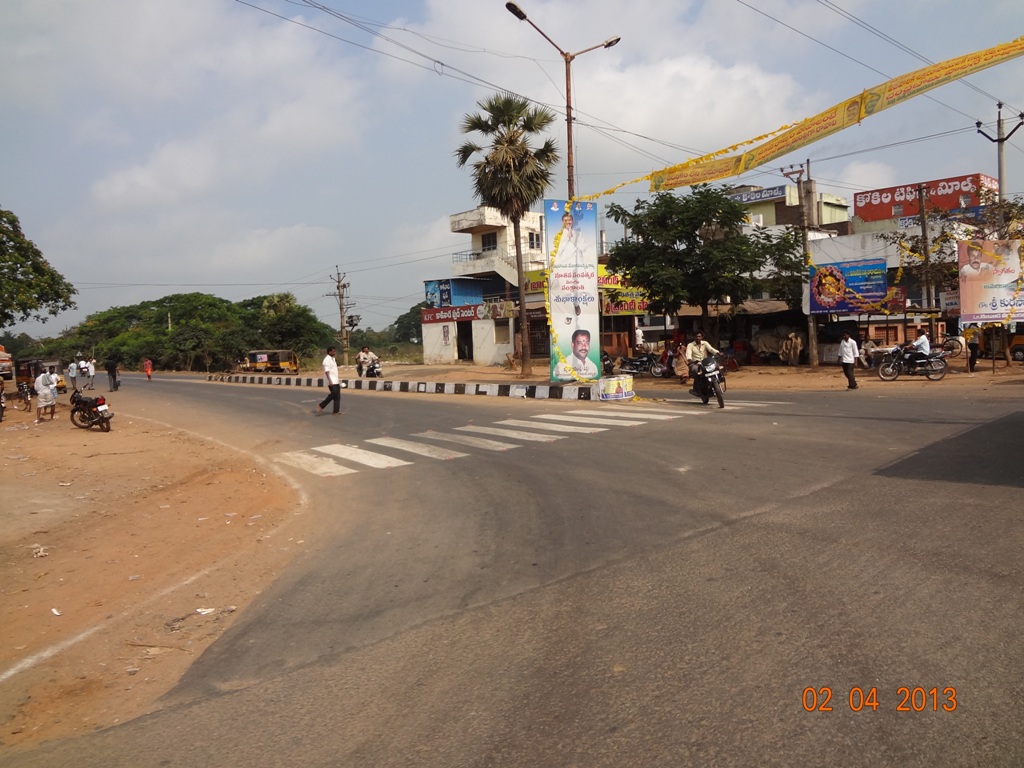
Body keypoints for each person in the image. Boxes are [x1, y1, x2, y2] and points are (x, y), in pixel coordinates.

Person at [316, 346, 341, 415]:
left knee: (337, 396)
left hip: (335, 379)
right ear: (329, 352)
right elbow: (327, 371)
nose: (334, 352)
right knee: (334, 393)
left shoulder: (333, 359)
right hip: (331, 379)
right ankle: (321, 405)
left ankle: (336, 411)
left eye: (335, 351)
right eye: (333, 351)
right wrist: (330, 380)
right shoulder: (327, 360)